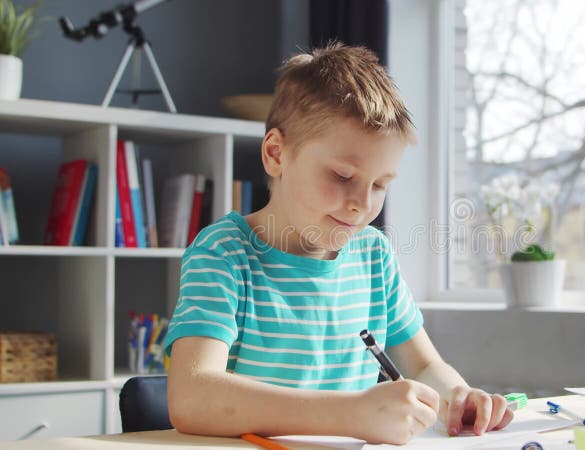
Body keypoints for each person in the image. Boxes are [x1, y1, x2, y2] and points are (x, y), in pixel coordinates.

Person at [164, 43, 513, 445]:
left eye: (380, 184)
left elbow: (422, 366)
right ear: (276, 154)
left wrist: (458, 396)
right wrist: (349, 414)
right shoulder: (225, 253)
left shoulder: (373, 254)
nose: (363, 204)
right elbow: (191, 397)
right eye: (344, 176)